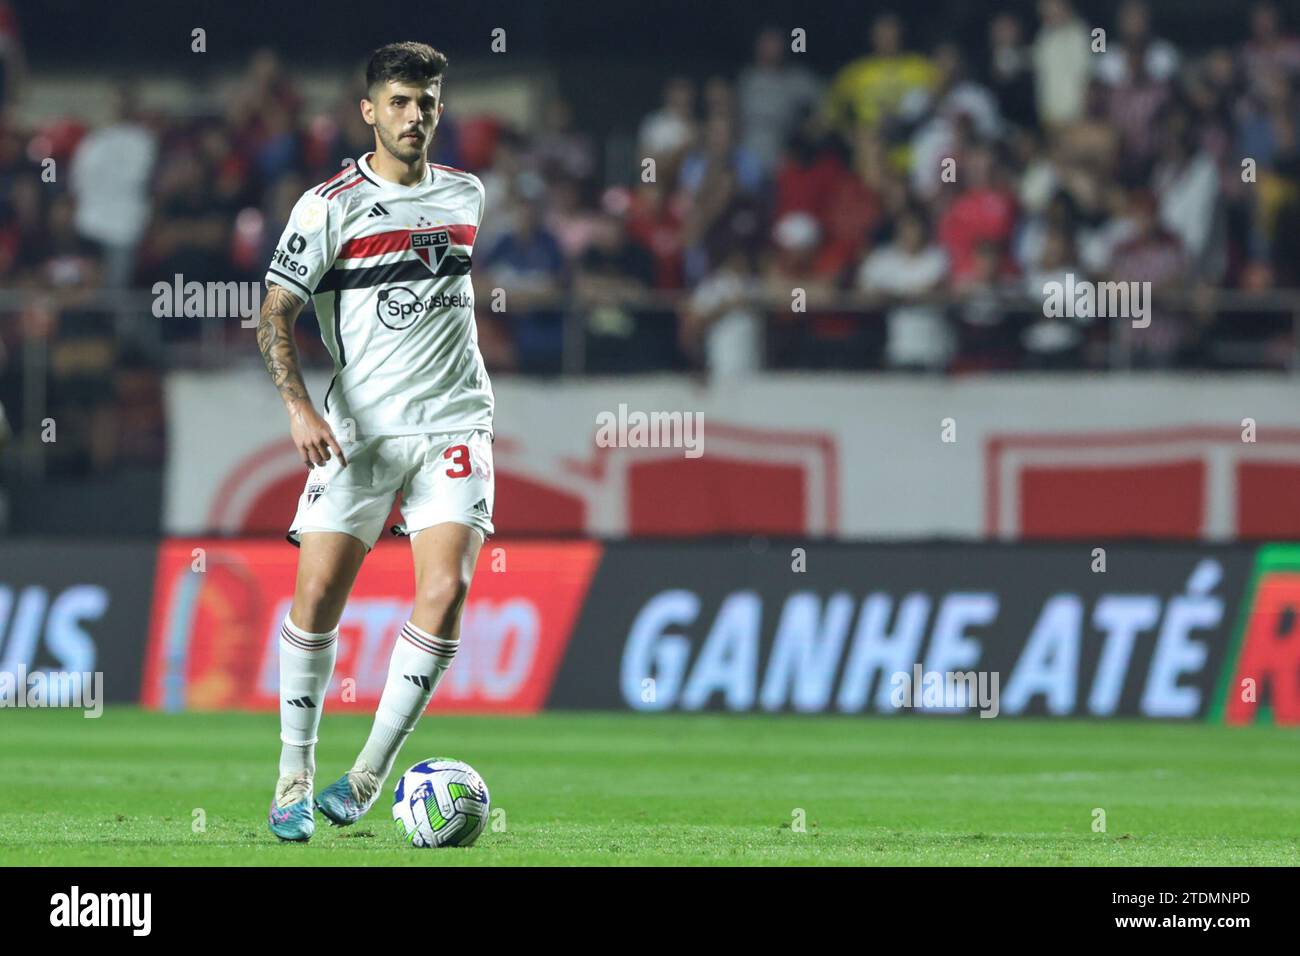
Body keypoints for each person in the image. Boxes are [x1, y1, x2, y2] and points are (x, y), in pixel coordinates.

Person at [257, 42, 494, 842]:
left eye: (426, 101)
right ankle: (293, 773)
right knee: (317, 596)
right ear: (369, 110)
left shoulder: (466, 196)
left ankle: (366, 776)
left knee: (448, 592)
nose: (414, 115)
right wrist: (298, 408)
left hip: (455, 423)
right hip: (358, 430)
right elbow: (274, 314)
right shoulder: (327, 206)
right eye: (398, 101)